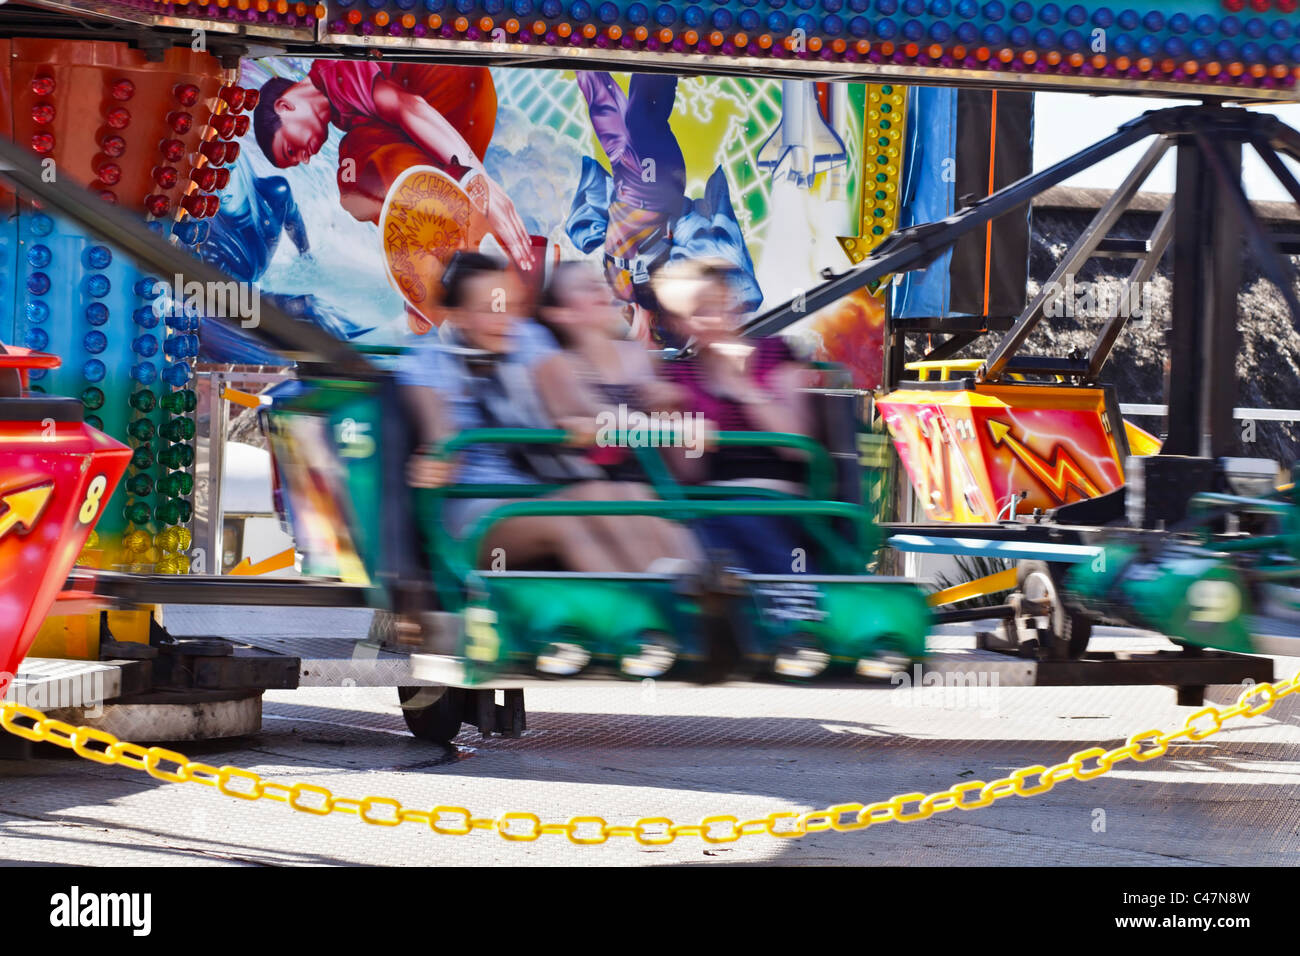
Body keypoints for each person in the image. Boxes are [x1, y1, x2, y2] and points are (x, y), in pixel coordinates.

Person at [396, 252, 699, 575]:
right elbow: (440, 437)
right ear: (458, 317)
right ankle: (654, 611)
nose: (505, 319)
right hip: (479, 507)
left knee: (631, 495)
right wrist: (436, 464)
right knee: (569, 520)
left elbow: (574, 403)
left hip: (537, 489)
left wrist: (648, 426)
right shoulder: (428, 361)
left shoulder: (525, 338)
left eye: (512, 306)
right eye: (490, 309)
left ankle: (698, 591)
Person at [253, 62, 534, 271]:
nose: (305, 158)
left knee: (353, 170)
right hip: (466, 105)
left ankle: (438, 254)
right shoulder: (341, 110)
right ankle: (521, 257)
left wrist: (476, 179)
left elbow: (407, 105)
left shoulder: (334, 73)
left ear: (284, 106)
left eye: (291, 149)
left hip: (447, 90)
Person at [566, 72, 761, 347]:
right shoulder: (657, 285)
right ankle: (666, 55)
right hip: (652, 188)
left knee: (601, 96)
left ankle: (654, 56)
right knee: (637, 116)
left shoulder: (623, 291)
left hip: (627, 181)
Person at [651, 258, 817, 574]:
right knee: (697, 527)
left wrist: (741, 386)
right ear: (679, 323)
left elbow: (797, 446)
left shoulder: (774, 355)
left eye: (718, 304)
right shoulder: (680, 377)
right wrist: (671, 417)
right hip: (712, 501)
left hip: (774, 495)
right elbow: (690, 471)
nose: (714, 317)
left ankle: (795, 595)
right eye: (698, 312)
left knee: (738, 516)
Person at [531, 261, 688, 479]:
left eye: (599, 283)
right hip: (586, 482)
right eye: (585, 287)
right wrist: (672, 430)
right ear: (560, 313)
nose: (600, 290)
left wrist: (671, 409)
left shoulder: (639, 356)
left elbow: (678, 450)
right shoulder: (555, 365)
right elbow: (598, 412)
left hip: (647, 480)